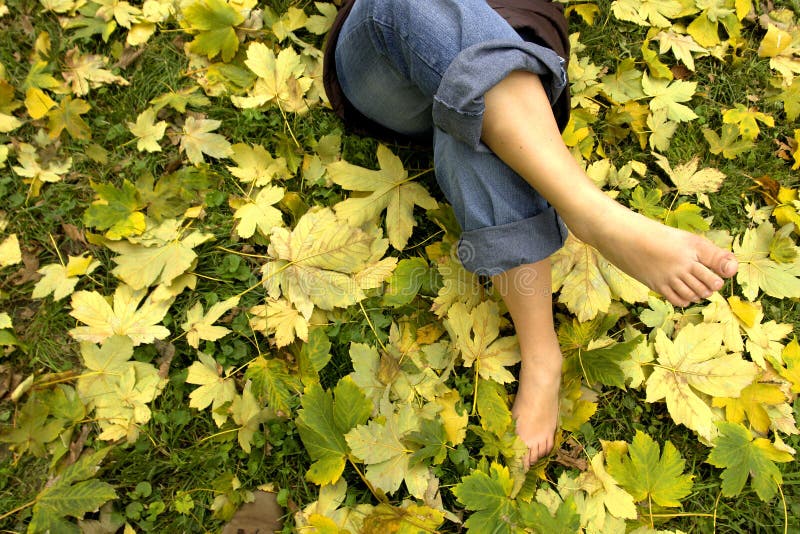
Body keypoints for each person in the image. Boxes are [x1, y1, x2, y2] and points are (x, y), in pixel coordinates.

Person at [323, 0, 739, 469]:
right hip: (389, 47)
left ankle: (544, 356)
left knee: (485, 114)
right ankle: (592, 214)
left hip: (515, 55)